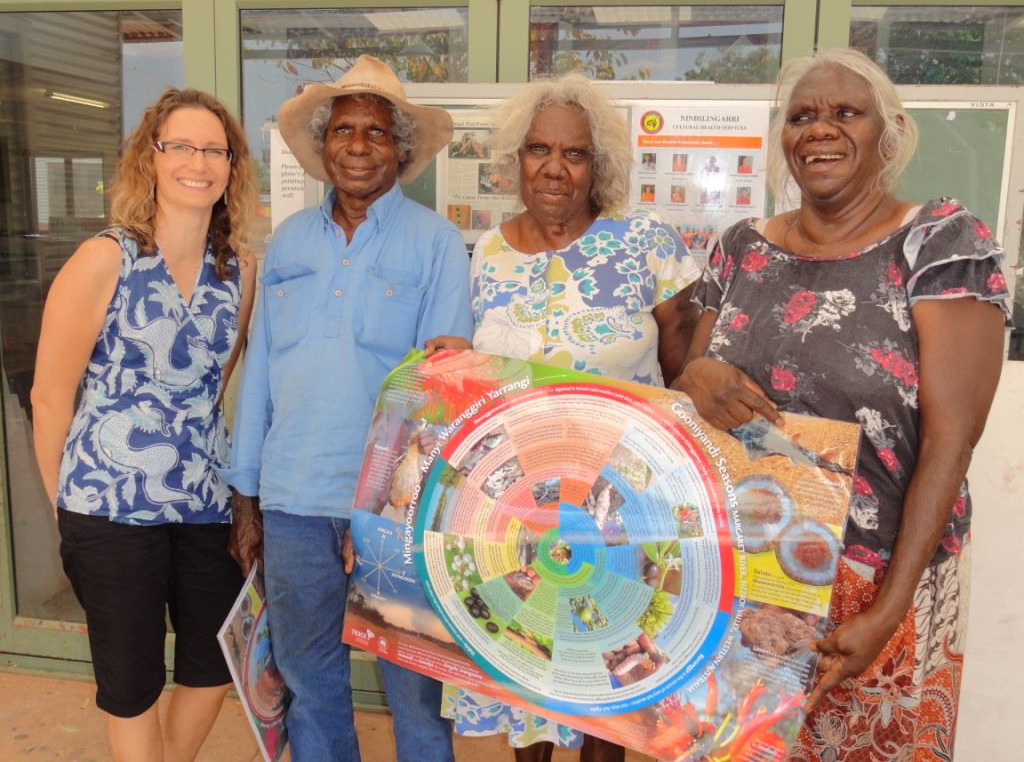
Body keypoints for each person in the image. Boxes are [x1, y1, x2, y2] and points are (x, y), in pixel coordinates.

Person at [673, 48, 1009, 760]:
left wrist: (886, 612)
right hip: (754, 575)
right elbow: (695, 388)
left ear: (888, 135)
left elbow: (953, 440)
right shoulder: (742, 248)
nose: (819, 129)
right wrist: (696, 373)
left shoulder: (939, 243)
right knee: (746, 751)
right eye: (802, 116)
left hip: (884, 581)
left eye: (844, 113)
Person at [426, 73, 701, 762]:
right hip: (517, 510)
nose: (554, 167)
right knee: (529, 687)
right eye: (539, 149)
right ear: (514, 158)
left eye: (574, 153)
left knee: (603, 704)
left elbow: (688, 370)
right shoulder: (486, 253)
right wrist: (462, 358)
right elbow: (489, 375)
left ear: (597, 165)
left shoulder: (646, 243)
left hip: (622, 511)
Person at [222, 55, 472, 762]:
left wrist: (391, 506)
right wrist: (247, 498)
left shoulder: (436, 243)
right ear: (324, 144)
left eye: (375, 132)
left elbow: (438, 393)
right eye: (342, 130)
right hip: (294, 499)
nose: (357, 146)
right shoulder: (290, 243)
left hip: (392, 510)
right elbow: (262, 371)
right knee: (310, 681)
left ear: (401, 150)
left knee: (415, 691)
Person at [31, 88, 257, 761]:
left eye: (213, 149)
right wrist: (66, 510)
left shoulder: (241, 271)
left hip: (205, 503)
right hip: (107, 506)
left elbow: (215, 385)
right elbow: (50, 396)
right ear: (150, 158)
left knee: (213, 666)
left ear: (231, 166)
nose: (198, 161)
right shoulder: (106, 258)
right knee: (131, 683)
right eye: (180, 145)